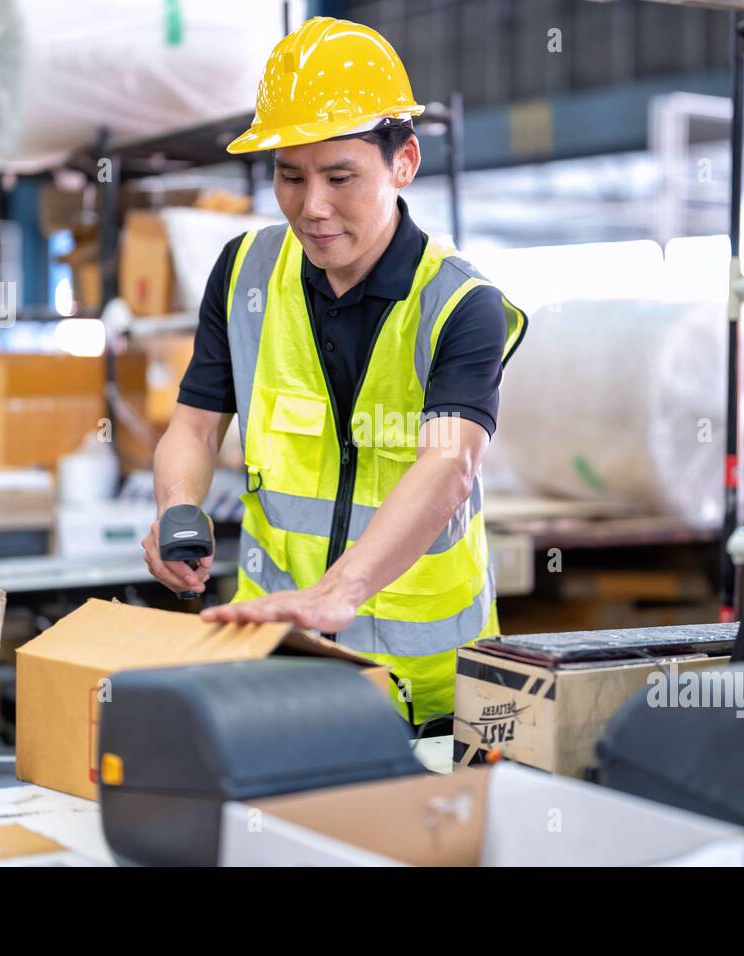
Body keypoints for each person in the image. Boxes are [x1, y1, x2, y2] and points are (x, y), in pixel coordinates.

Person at [142, 16, 526, 726]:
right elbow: (194, 429)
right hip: (285, 664)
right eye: (290, 176)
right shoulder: (244, 275)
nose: (311, 207)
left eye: (339, 177)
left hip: (434, 688)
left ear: (403, 161)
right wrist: (176, 507)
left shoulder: (461, 305)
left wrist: (339, 591)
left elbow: (449, 468)